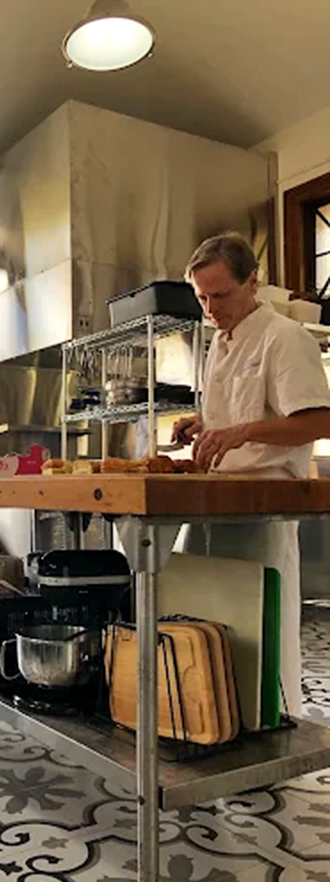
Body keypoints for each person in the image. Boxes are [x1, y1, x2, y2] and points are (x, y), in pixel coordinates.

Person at [172, 232, 330, 717]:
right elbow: (241, 414)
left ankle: (269, 722)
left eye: (220, 295)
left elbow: (319, 419)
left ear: (252, 282)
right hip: (214, 501)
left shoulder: (284, 337)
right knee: (201, 609)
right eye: (202, 297)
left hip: (261, 507)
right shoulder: (220, 342)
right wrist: (204, 425)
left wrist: (238, 433)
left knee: (258, 623)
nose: (211, 307)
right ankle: (209, 717)